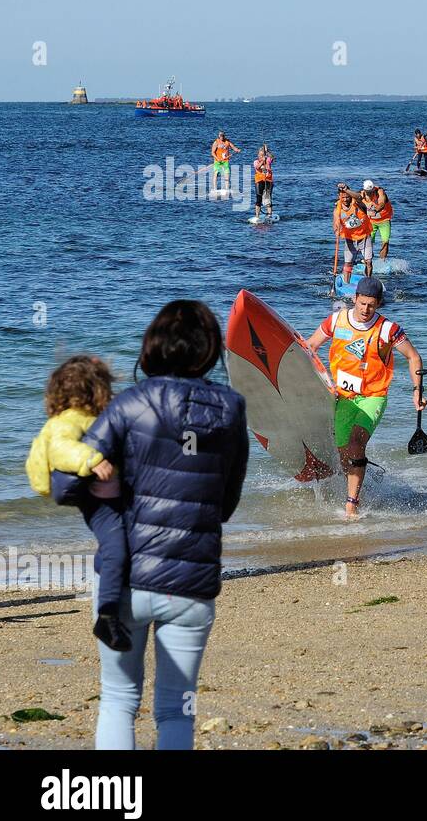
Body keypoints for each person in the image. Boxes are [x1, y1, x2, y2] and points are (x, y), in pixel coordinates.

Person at [53, 301, 249, 749]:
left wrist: (109, 492)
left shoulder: (130, 404)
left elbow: (64, 484)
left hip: (125, 581)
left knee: (119, 700)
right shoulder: (232, 408)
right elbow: (226, 505)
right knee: (176, 707)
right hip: (192, 583)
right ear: (211, 349)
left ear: (152, 347)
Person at [26, 355, 128, 650]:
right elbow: (60, 449)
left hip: (110, 497)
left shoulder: (85, 417)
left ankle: (110, 578)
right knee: (116, 546)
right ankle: (106, 615)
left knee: (116, 547)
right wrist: (91, 460)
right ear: (93, 391)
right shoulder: (68, 420)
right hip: (99, 499)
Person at [303, 277, 426, 519]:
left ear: (378, 304)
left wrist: (417, 390)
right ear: (354, 298)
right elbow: (310, 347)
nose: (365, 309)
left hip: (373, 396)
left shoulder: (388, 330)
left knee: (357, 443)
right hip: (343, 397)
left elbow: (414, 357)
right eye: (361, 303)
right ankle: (361, 483)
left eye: (371, 305)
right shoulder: (336, 320)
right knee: (344, 454)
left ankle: (351, 505)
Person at [333, 183, 374, 284]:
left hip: (364, 236)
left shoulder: (357, 203)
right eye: (343, 197)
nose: (346, 199)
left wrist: (346, 190)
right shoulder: (337, 210)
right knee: (348, 263)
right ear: (339, 197)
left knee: (368, 261)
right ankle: (347, 284)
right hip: (350, 239)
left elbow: (359, 196)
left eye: (347, 197)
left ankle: (368, 281)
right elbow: (335, 223)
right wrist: (336, 230)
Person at [362, 180, 393, 260]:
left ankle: (382, 261)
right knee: (368, 242)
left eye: (371, 191)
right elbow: (352, 199)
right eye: (367, 192)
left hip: (384, 220)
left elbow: (382, 203)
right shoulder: (362, 193)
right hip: (371, 221)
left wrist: (376, 210)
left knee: (385, 241)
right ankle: (368, 260)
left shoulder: (380, 192)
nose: (369, 193)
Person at [210, 131, 239, 195]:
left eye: (222, 135)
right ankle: (215, 189)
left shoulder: (227, 142)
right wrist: (217, 159)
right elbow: (212, 152)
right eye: (220, 136)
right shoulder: (216, 142)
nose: (221, 137)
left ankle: (227, 189)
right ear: (219, 136)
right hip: (217, 161)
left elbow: (233, 147)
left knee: (227, 174)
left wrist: (237, 150)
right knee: (216, 174)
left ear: (224, 136)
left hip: (225, 161)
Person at [252, 144, 274, 220]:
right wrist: (262, 161)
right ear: (258, 155)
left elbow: (272, 157)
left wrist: (267, 151)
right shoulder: (256, 162)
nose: (261, 156)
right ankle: (257, 216)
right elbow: (257, 167)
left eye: (262, 155)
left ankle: (269, 215)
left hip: (268, 180)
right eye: (260, 155)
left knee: (268, 198)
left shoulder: (268, 160)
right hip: (259, 181)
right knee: (259, 198)